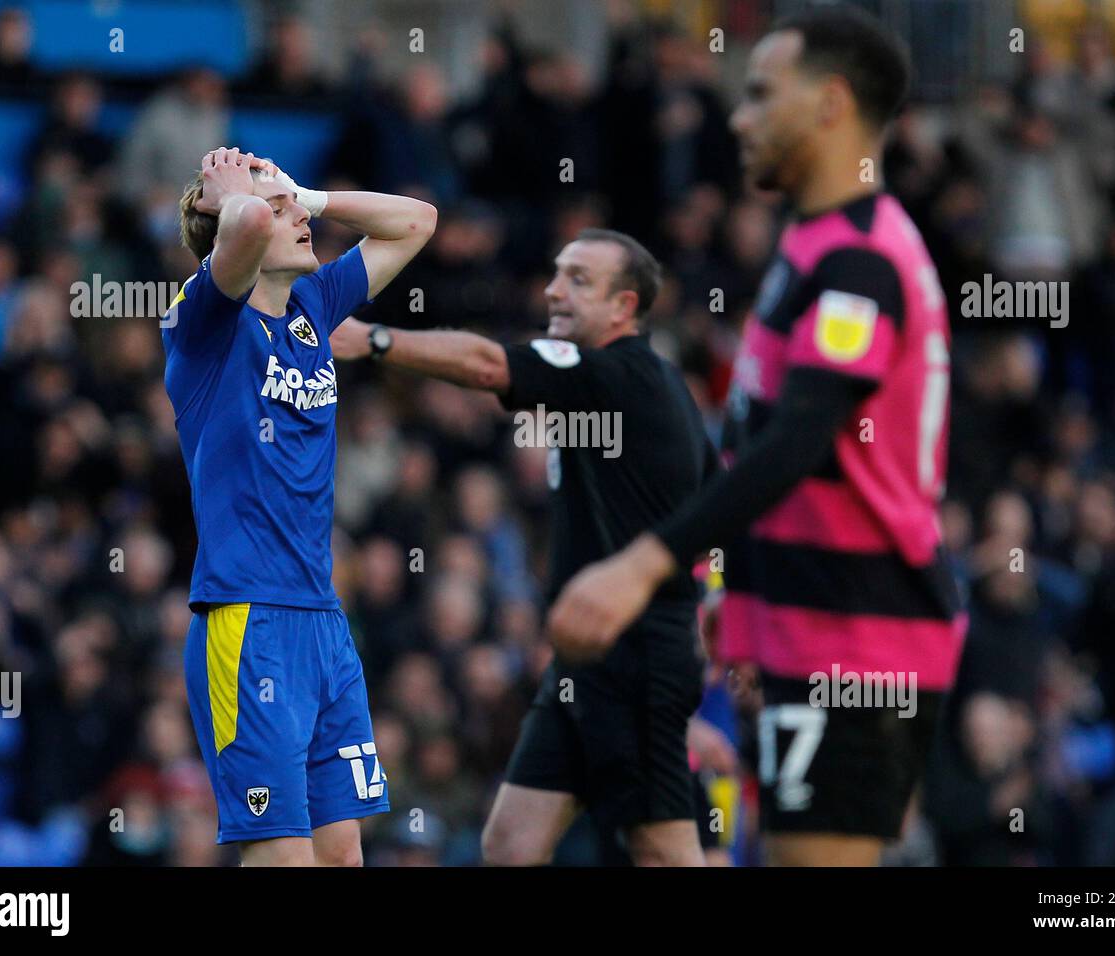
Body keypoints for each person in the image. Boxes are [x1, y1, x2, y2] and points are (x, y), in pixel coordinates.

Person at [546, 6, 967, 867]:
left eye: (761, 94)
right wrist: (726, 594)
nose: (738, 116)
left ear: (831, 106)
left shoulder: (861, 257)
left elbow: (799, 443)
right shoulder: (812, 241)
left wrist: (643, 565)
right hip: (802, 619)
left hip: (855, 629)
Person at [331, 229, 716, 865]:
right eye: (557, 273)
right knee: (510, 842)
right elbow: (713, 504)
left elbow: (487, 366)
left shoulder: (622, 373)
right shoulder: (641, 387)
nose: (553, 290)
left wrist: (374, 339)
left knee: (663, 849)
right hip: (583, 662)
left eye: (579, 281)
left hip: (635, 655)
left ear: (624, 307)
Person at [164, 146, 435, 865]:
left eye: (290, 205)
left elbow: (416, 222)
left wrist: (307, 194)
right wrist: (237, 201)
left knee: (343, 857)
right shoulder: (203, 323)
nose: (295, 217)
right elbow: (246, 230)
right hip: (246, 619)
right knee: (283, 859)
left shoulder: (313, 303)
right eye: (276, 208)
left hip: (323, 622)